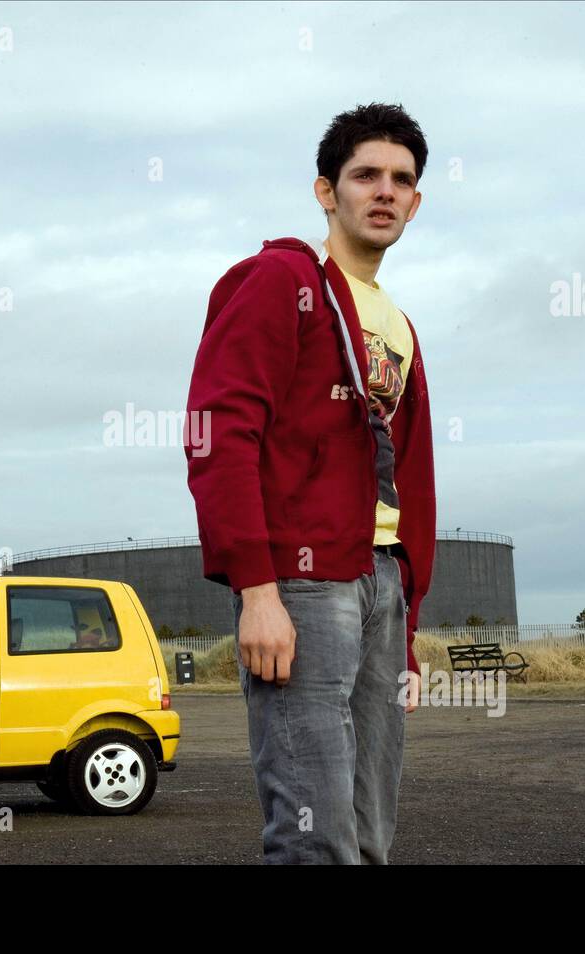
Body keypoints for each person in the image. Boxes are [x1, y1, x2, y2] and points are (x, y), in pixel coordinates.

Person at [183, 103, 437, 864]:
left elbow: (410, 480)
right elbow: (217, 433)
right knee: (314, 836)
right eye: (365, 176)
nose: (384, 191)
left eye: (401, 179)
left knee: (370, 835)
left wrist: (410, 633)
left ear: (416, 201)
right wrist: (256, 588)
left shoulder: (398, 324)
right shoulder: (279, 280)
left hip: (381, 585)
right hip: (303, 585)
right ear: (327, 191)